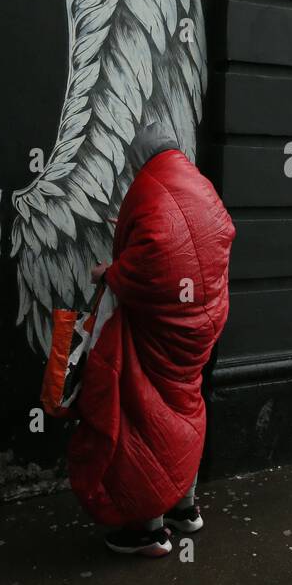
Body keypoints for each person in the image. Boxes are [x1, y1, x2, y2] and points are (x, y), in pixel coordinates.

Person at [69, 123, 236, 557]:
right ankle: (185, 508)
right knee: (184, 411)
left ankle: (149, 529)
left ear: (141, 157)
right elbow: (216, 237)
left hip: (156, 333)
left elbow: (155, 254)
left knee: (147, 420)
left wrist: (110, 273)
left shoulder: (149, 189)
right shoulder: (197, 184)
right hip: (199, 325)